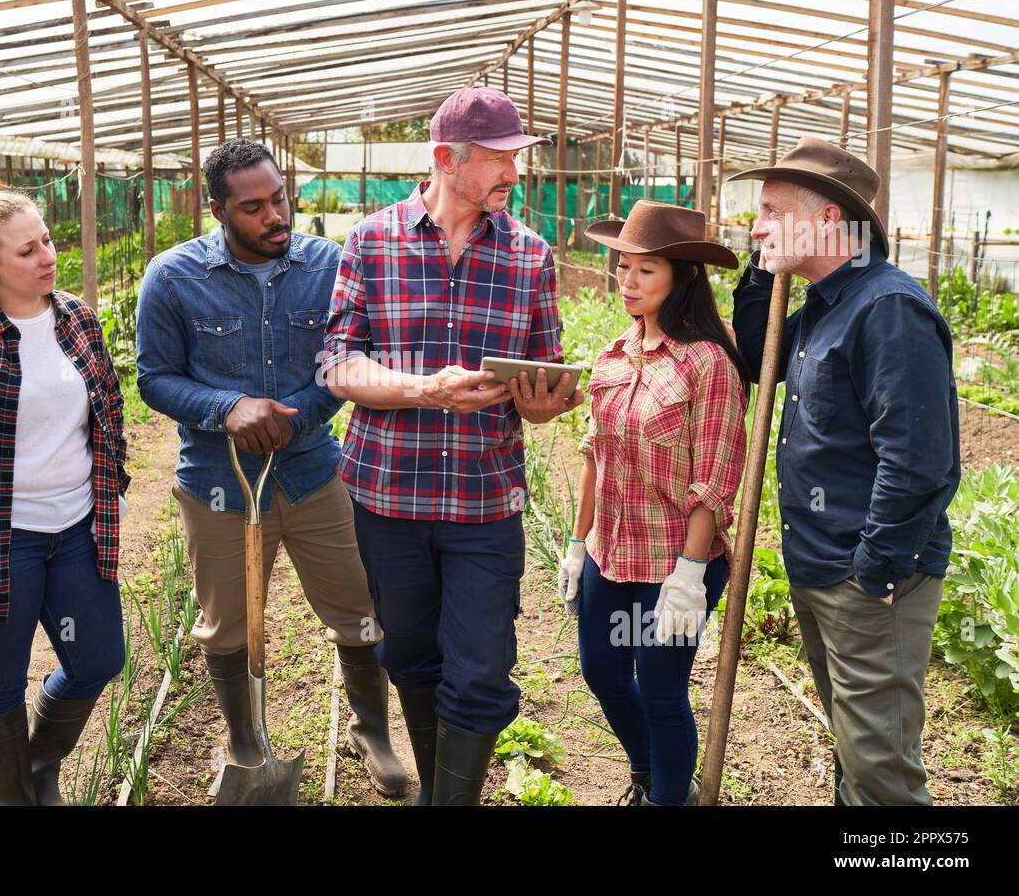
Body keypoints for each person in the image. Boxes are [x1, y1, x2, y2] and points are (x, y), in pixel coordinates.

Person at [323, 87, 581, 806]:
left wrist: (544, 402)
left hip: (484, 496)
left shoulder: (530, 255)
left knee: (483, 670)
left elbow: (543, 370)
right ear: (446, 159)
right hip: (388, 494)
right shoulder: (372, 241)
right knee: (411, 656)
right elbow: (340, 364)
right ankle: (440, 784)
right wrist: (424, 388)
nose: (513, 175)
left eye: (515, 161)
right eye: (499, 160)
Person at [136, 139, 407, 798]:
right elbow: (154, 378)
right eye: (253, 207)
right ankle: (245, 739)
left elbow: (351, 359)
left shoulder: (329, 265)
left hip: (315, 475)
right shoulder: (172, 278)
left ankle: (371, 728)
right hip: (220, 485)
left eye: (280, 198)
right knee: (226, 622)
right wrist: (228, 406)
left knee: (359, 608)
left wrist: (301, 413)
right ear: (218, 210)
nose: (274, 215)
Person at [729, 137, 960, 806]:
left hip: (869, 580)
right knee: (856, 754)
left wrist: (876, 572)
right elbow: (756, 355)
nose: (756, 222)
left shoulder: (887, 309)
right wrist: (762, 259)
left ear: (828, 218)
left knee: (881, 771)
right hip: (820, 564)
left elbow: (918, 460)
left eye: (770, 210)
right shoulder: (823, 306)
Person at [0, 189, 130, 805]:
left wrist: (108, 493)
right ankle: (19, 797)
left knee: (97, 660)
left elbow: (110, 415)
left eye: (47, 239)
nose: (48, 256)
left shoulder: (76, 318)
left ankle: (37, 763)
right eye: (28, 249)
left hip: (75, 530)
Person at [558, 201, 748, 806]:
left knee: (663, 691)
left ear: (682, 278)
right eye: (622, 268)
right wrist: (575, 541)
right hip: (611, 553)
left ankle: (670, 798)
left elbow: (714, 479)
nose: (627, 283)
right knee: (603, 674)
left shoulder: (709, 364)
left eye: (645, 271)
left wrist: (691, 574)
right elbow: (594, 453)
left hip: (675, 565)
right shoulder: (615, 354)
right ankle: (650, 771)